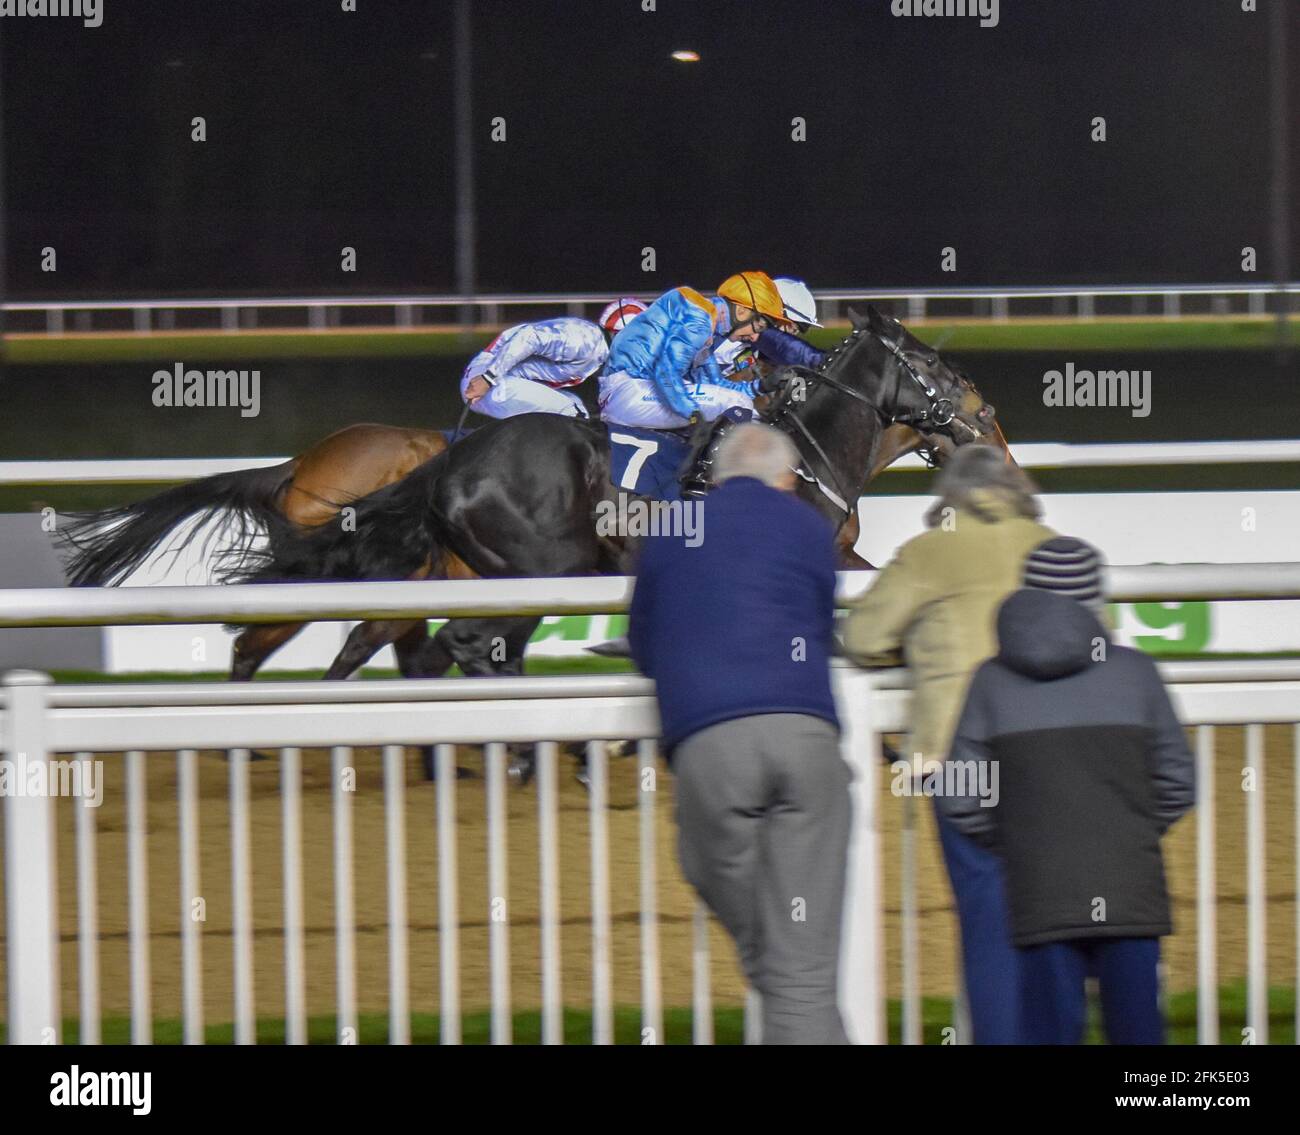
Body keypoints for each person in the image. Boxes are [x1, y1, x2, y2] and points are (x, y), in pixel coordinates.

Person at [628, 422, 852, 1044]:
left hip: (709, 747)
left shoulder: (671, 528)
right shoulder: (807, 526)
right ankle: (790, 982)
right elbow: (815, 623)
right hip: (807, 742)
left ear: (718, 478)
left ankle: (785, 979)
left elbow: (643, 643)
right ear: (785, 480)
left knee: (719, 884)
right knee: (798, 972)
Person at [941, 537, 1195, 1044]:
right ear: (1096, 601)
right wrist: (1132, 832)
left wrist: (1017, 841)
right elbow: (1177, 783)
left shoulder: (989, 682)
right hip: (1130, 891)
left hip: (1040, 896)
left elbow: (960, 797)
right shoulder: (1137, 674)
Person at [841, 443, 1055, 1044]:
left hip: (956, 758)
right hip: (1053, 756)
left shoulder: (929, 551)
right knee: (1054, 916)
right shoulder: (1051, 547)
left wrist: (919, 648)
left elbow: (862, 637)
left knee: (987, 921)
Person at [598, 271, 787, 430]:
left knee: (739, 405)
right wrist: (694, 416)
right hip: (628, 392)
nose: (755, 337)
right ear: (742, 312)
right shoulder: (699, 318)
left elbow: (715, 384)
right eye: (760, 325)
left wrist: (763, 386)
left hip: (636, 390)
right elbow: (665, 374)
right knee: (736, 405)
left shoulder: (704, 322)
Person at [461, 310, 634, 420]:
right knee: (572, 414)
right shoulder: (586, 341)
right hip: (488, 382)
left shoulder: (600, 347)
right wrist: (488, 378)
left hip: (502, 381)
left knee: (580, 410)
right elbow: (529, 336)